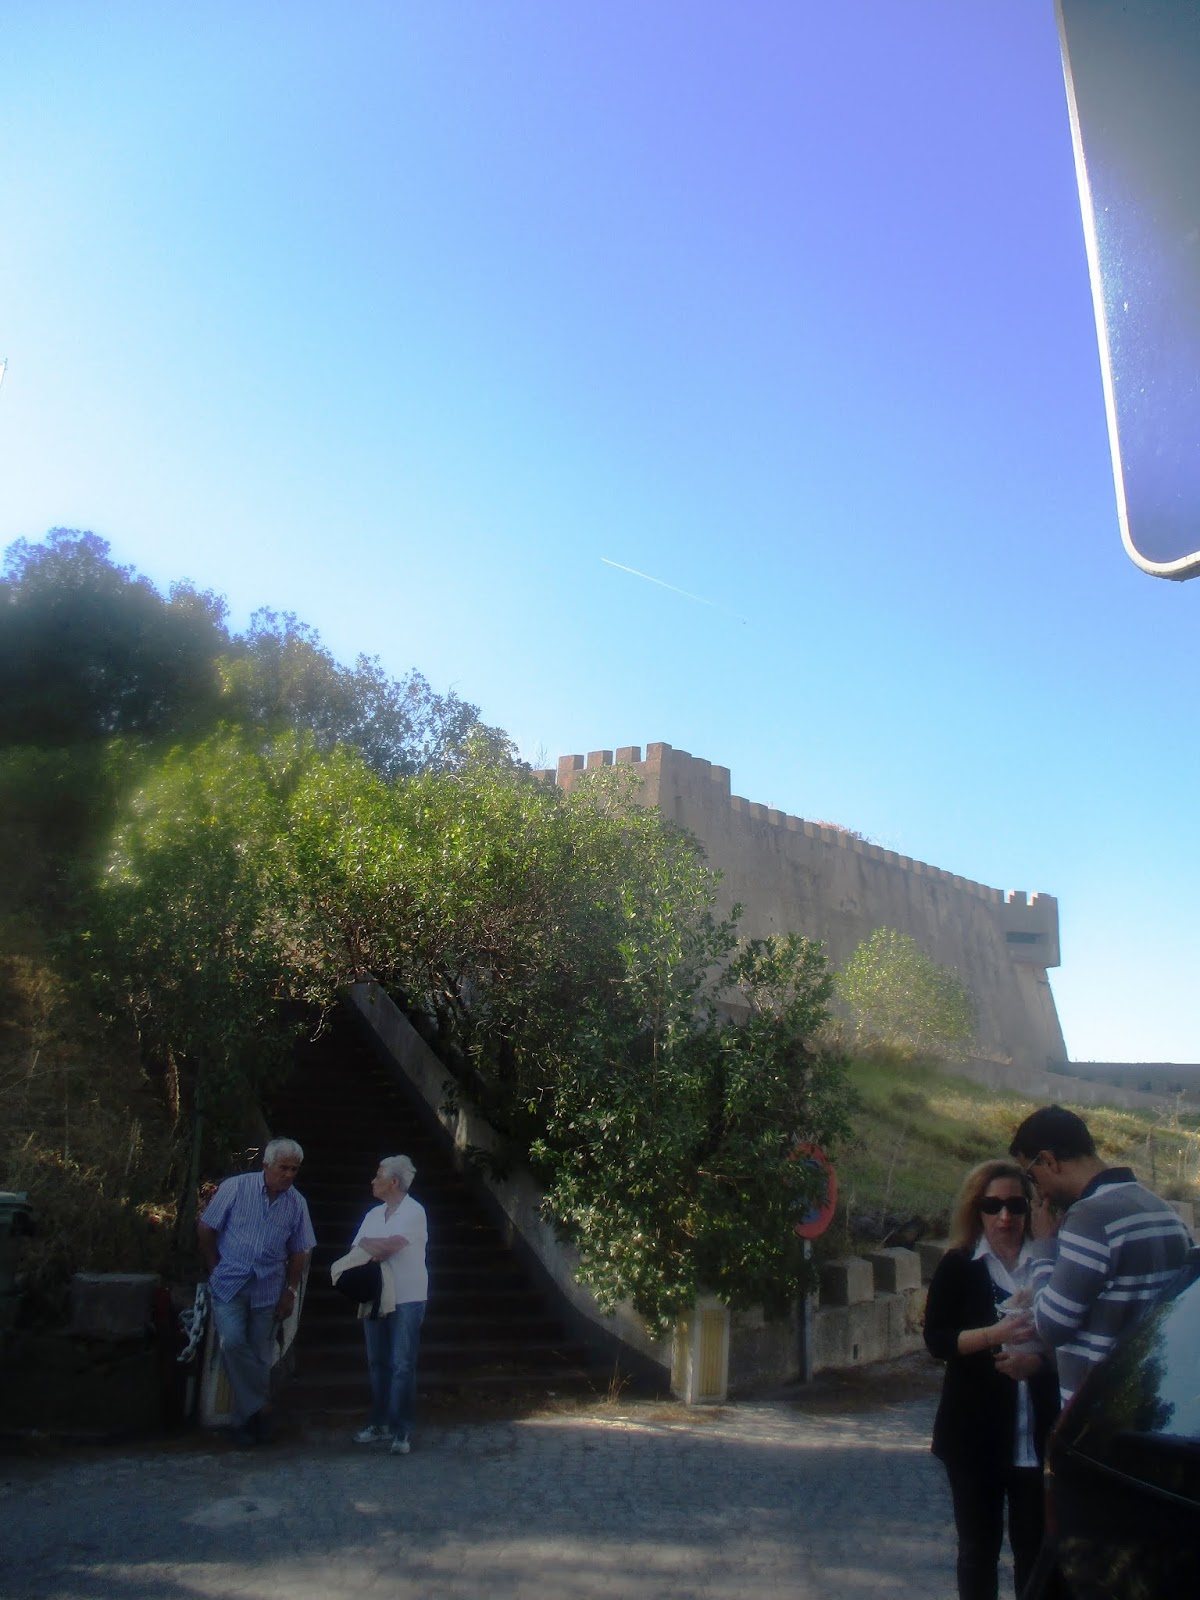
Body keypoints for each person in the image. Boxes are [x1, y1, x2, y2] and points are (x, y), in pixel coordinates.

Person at [924, 1159, 1061, 1600]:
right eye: (993, 1206)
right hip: (974, 1436)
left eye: (1016, 1206)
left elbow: (1074, 1343)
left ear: (1029, 1209)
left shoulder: (1048, 1264)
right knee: (978, 1551)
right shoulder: (960, 1265)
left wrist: (1036, 1365)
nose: (1005, 1217)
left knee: (1035, 1552)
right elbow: (937, 1340)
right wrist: (993, 1336)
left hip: (1035, 1436)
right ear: (976, 1209)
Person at [1009, 1104, 1193, 1405]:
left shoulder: (1090, 1218)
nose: (1039, 1191)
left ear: (1048, 1161)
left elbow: (1051, 1326)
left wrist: (1044, 1247)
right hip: (1152, 1399)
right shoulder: (1162, 1210)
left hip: (1099, 1411)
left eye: (1032, 1176)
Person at [197, 1137, 316, 1446]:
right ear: (266, 1165)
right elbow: (206, 1227)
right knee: (233, 1342)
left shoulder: (296, 1203)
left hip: (267, 1289)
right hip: (229, 1284)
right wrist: (213, 1265)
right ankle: (262, 1407)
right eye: (283, 1168)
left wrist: (290, 1290)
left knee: (261, 1356)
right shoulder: (237, 1188)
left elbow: (300, 1251)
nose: (289, 1174)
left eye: (294, 1169)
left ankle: (243, 1423)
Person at [350, 1154, 428, 1456]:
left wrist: (372, 1246)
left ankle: (401, 1428)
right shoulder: (372, 1214)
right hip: (375, 1295)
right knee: (377, 1362)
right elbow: (356, 1249)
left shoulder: (414, 1212)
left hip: (407, 1296)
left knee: (402, 1364)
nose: (373, 1181)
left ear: (393, 1181)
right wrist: (372, 1247)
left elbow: (385, 1249)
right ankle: (379, 1422)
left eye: (378, 1175)